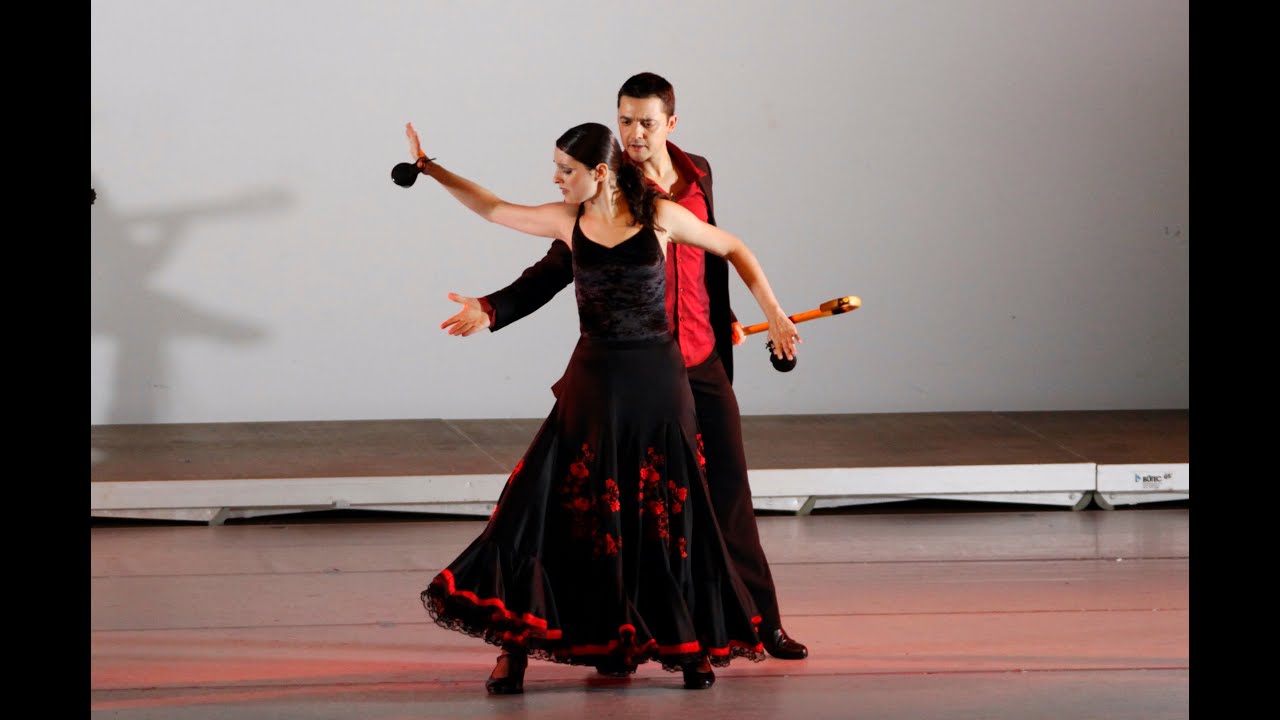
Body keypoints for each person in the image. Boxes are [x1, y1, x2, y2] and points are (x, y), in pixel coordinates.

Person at [407, 120, 800, 694]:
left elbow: (733, 247)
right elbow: (491, 207)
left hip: (659, 382)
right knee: (542, 509)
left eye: (565, 170)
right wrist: (432, 169)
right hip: (594, 379)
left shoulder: (659, 216)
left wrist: (776, 311)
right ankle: (514, 650)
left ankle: (686, 645)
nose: (555, 178)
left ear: (599, 173)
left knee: (666, 515)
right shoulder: (568, 221)